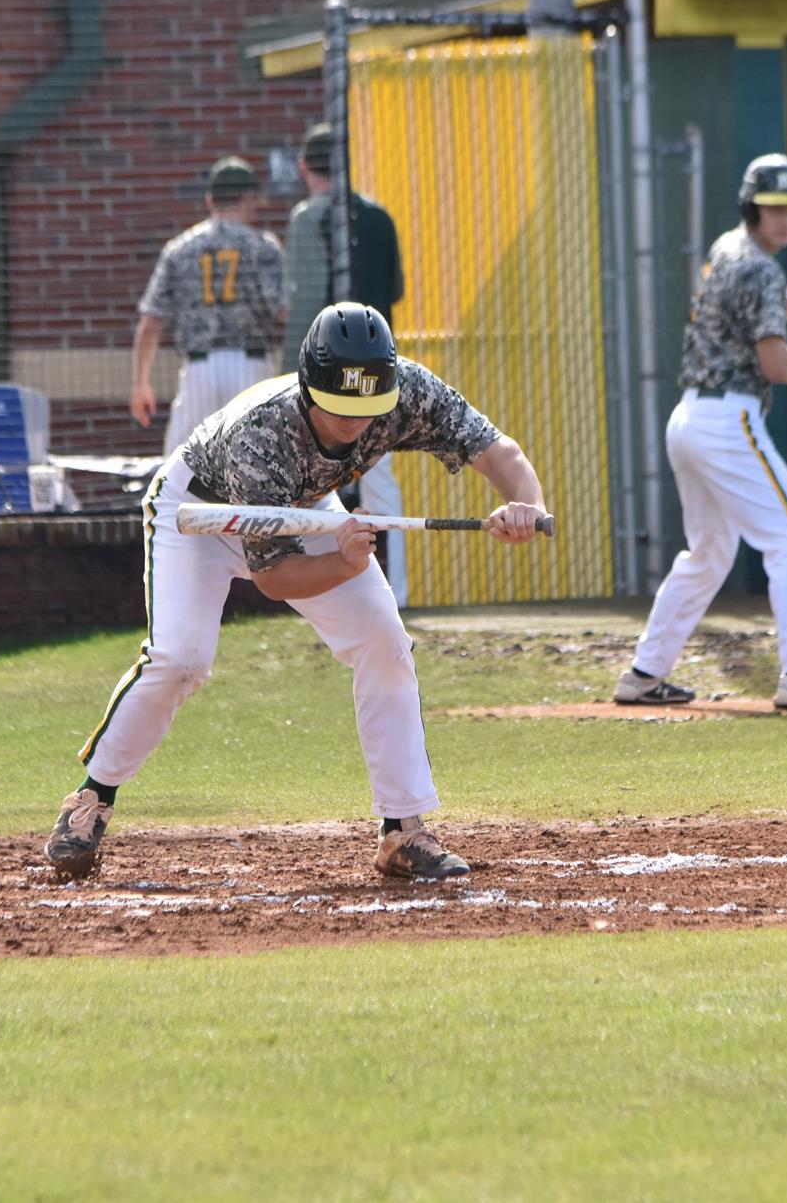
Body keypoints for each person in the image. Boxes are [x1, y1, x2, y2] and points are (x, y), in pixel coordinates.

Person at [47, 303, 550, 882]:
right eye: (339, 410)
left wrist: (525, 508)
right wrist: (344, 560)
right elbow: (274, 579)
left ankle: (403, 830)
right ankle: (90, 801)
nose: (355, 424)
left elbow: (499, 452)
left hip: (305, 507)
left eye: (368, 411)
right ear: (310, 389)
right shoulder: (261, 435)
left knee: (385, 644)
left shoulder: (406, 390)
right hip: (202, 514)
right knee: (181, 660)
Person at [612, 154, 787, 712]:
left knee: (708, 554)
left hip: (689, 420)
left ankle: (643, 674)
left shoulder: (728, 249)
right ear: (752, 208)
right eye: (772, 208)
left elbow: (739, 317)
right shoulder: (760, 267)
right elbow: (777, 365)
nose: (784, 219)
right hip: (728, 422)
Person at [284, 122, 411, 606]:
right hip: (377, 369)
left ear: (304, 167)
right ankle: (394, 593)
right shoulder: (378, 215)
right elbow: (395, 288)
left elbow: (301, 302)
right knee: (380, 481)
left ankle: (313, 590)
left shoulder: (304, 218)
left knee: (305, 480)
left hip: (322, 375)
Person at [133, 157, 287, 454]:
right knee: (258, 462)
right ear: (248, 197)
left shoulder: (180, 248)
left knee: (180, 472)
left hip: (199, 371)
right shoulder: (263, 246)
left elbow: (151, 322)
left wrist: (141, 383)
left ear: (209, 199)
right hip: (251, 368)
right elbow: (282, 311)